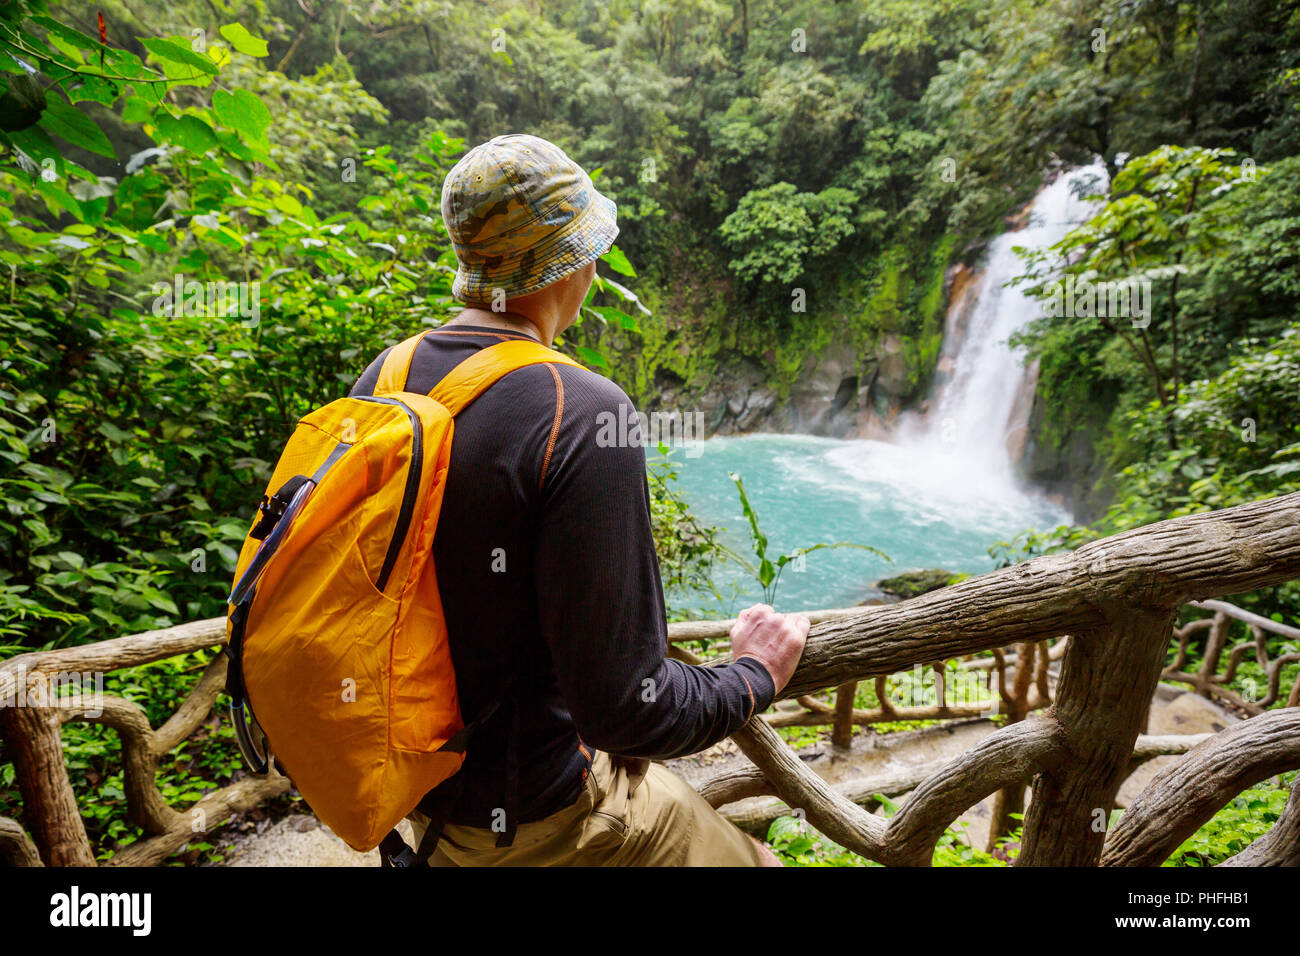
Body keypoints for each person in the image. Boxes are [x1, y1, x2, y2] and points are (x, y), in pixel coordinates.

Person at [350, 133, 810, 866]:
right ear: (576, 261)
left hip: (418, 797)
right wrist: (755, 674)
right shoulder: (582, 407)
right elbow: (630, 709)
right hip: (538, 820)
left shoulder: (387, 374)